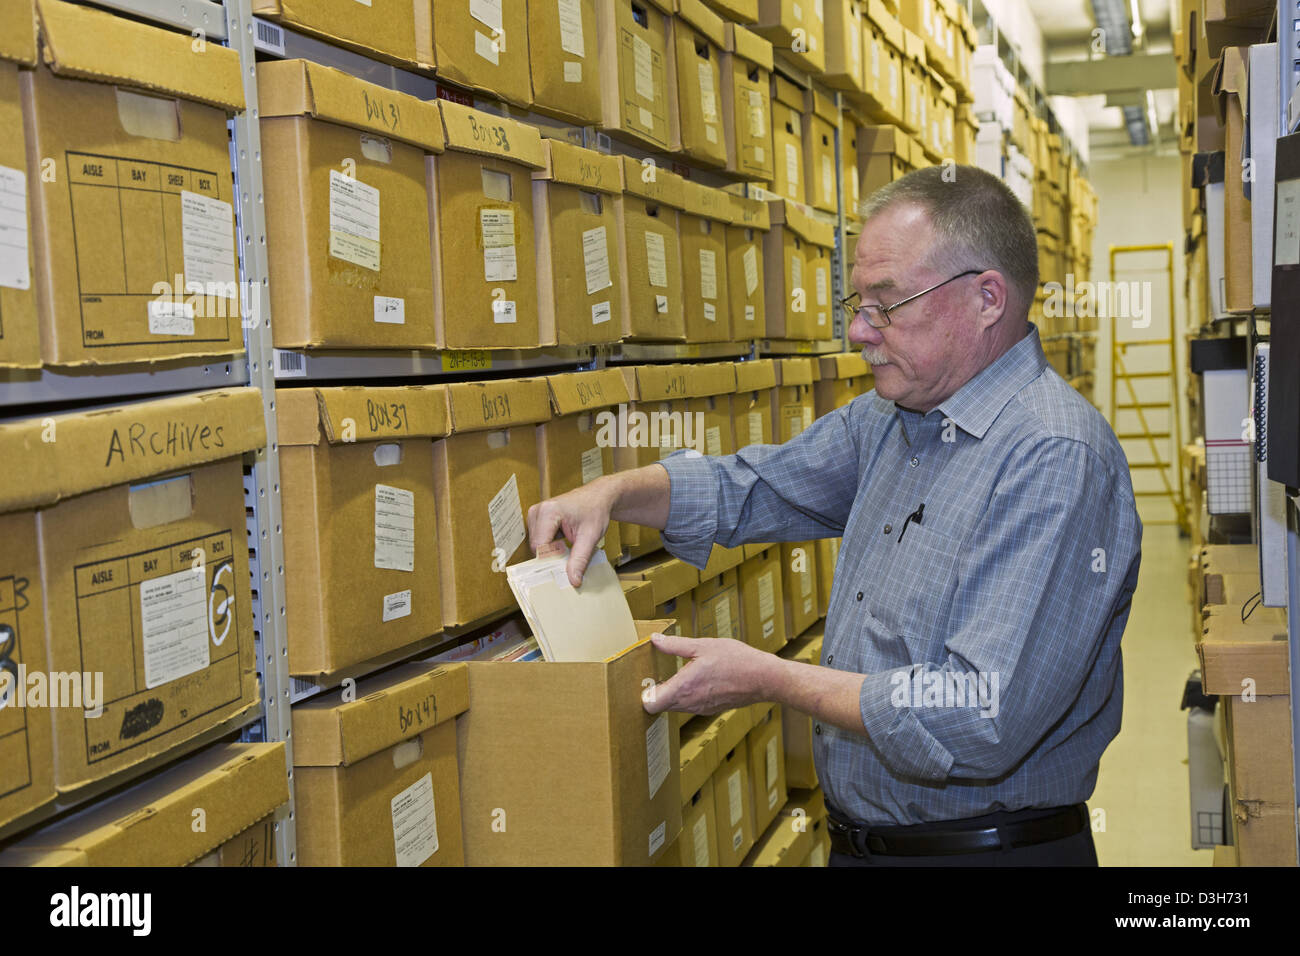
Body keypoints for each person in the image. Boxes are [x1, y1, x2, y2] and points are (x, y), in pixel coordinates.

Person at [526, 164, 1142, 866]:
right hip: (862, 846)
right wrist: (613, 493)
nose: (858, 331)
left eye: (886, 303)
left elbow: (980, 711)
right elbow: (754, 487)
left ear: (987, 299)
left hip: (984, 854)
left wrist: (774, 679)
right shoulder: (892, 419)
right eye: (857, 303)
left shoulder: (1054, 455)